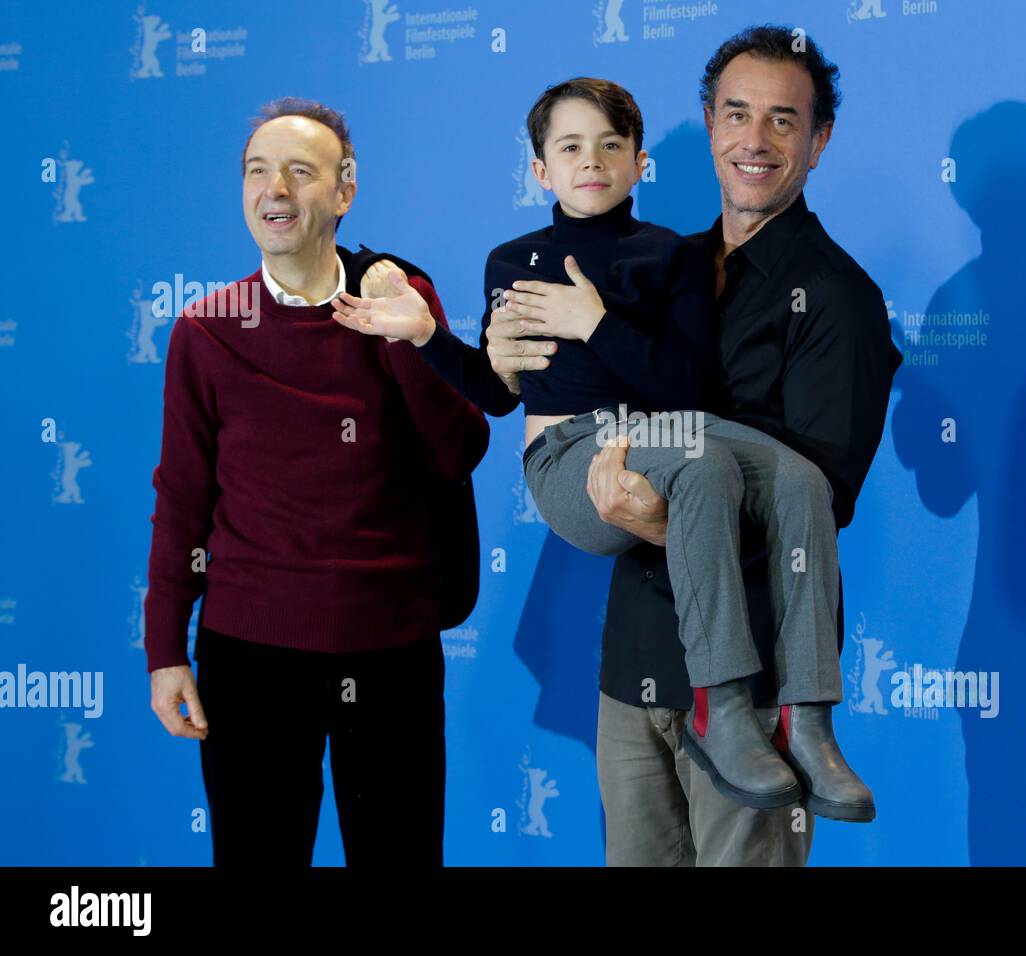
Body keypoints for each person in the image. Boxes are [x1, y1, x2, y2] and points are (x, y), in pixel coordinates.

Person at [335, 76, 876, 819]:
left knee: (800, 478)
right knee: (709, 467)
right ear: (540, 170)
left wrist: (594, 322)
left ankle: (809, 721)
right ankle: (720, 708)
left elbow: (687, 387)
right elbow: (499, 395)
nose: (591, 161)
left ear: (638, 161)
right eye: (569, 147)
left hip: (667, 429)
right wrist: (427, 334)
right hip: (570, 450)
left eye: (610, 145)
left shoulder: (673, 258)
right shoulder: (513, 263)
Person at [144, 97, 489, 867]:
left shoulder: (403, 299)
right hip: (250, 652)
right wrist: (165, 650)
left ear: (344, 192)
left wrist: (408, 338)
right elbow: (182, 500)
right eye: (258, 172)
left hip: (391, 645)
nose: (275, 191)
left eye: (301, 172)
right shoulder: (205, 331)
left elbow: (461, 449)